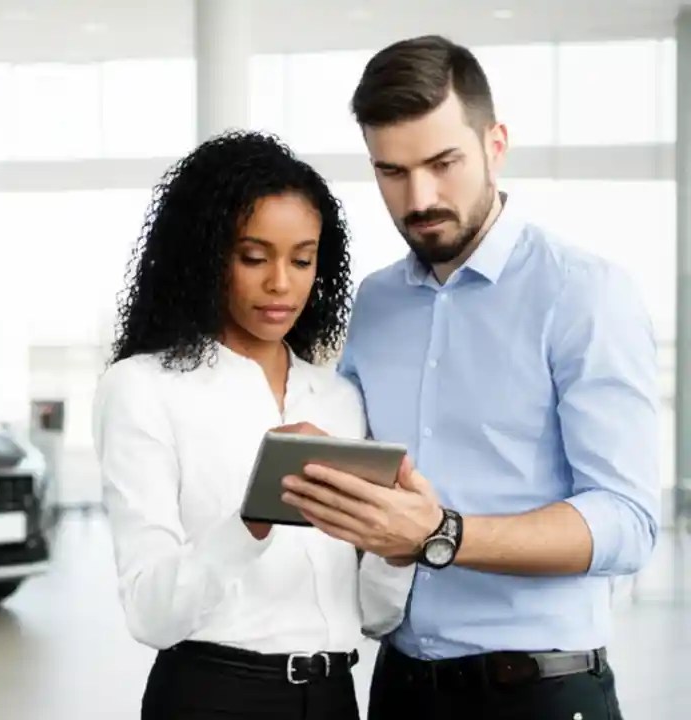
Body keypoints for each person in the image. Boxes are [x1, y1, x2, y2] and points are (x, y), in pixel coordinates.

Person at [279, 35, 660, 720]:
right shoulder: (377, 301)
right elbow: (370, 471)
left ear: (495, 144)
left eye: (442, 162)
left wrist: (442, 535)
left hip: (540, 692)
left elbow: (628, 522)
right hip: (400, 687)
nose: (419, 197)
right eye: (391, 172)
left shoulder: (584, 293)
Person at [91, 130, 414, 720]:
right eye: (254, 257)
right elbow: (150, 611)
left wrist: (398, 547)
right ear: (206, 254)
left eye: (302, 258)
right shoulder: (143, 388)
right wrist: (255, 518)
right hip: (215, 697)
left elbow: (373, 616)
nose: (281, 284)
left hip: (337, 698)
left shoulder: (338, 397)